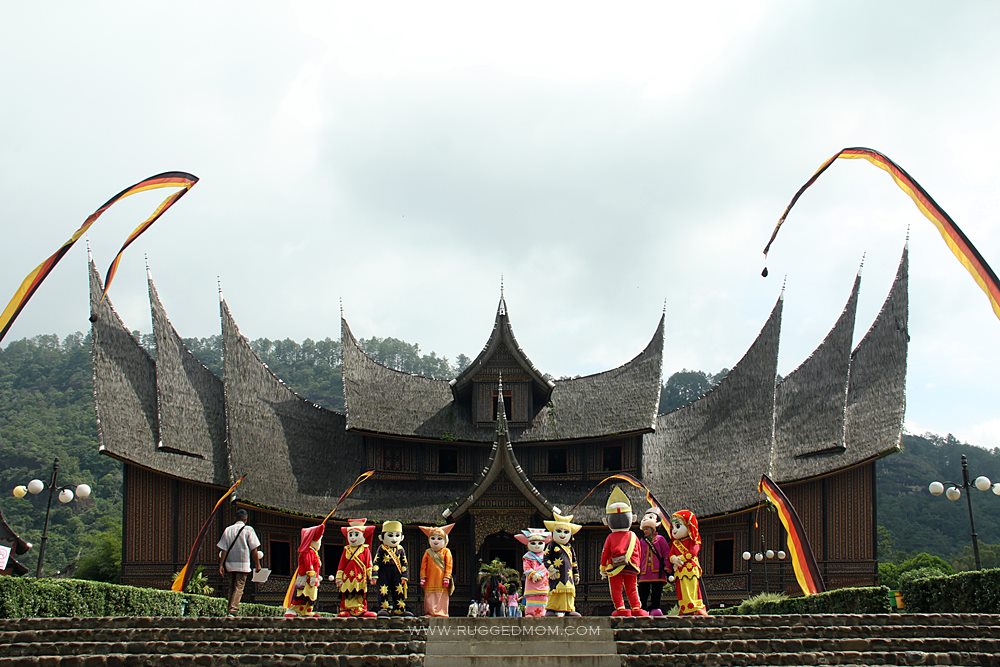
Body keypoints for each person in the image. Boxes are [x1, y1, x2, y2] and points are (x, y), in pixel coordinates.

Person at [217, 508, 262, 616]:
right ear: (246, 519)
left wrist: (221, 565)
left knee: (231, 587)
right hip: (243, 564)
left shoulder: (228, 530)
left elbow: (224, 549)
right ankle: (233, 610)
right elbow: (254, 549)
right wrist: (257, 564)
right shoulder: (248, 530)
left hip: (230, 564)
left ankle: (229, 610)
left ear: (235, 518)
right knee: (239, 587)